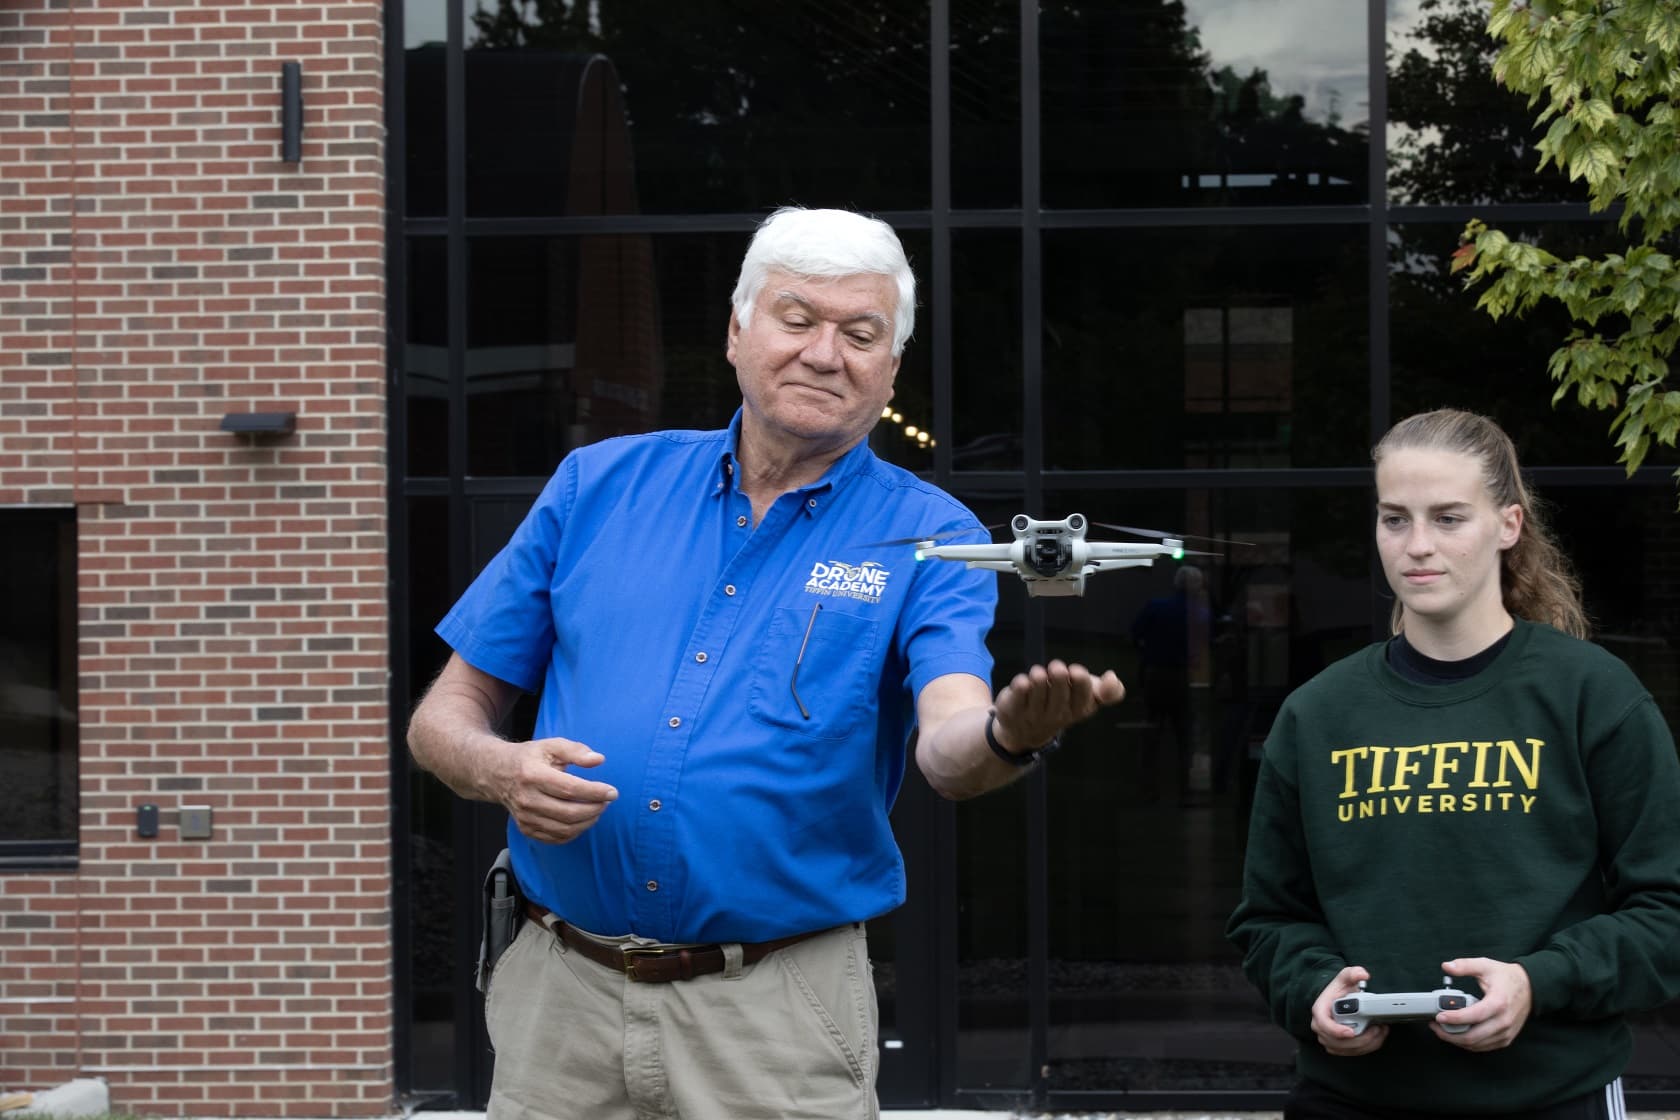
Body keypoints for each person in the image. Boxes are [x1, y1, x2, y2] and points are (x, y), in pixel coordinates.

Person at [407, 206, 1126, 1120]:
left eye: (860, 334)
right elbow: (443, 717)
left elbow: (949, 744)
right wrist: (500, 769)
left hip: (775, 1015)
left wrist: (1005, 736)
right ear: (738, 332)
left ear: (889, 369)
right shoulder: (596, 486)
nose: (826, 354)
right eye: (797, 319)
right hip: (562, 1002)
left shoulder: (932, 536)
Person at [1227, 408, 1680, 1118]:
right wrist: (1313, 988)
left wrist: (1539, 983)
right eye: (1394, 519)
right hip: (1352, 1099)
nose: (1416, 546)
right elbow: (1269, 919)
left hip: (1550, 1097)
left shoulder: (1591, 695)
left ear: (1508, 525)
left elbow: (1667, 912)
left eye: (1447, 518)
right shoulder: (1318, 714)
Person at [1130, 564, 1211, 803]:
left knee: (1151, 734)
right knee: (1184, 735)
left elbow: (1135, 634)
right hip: (1182, 677)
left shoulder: (1156, 607)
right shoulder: (1200, 614)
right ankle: (1186, 790)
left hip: (1155, 674)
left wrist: (1148, 654)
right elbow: (1203, 645)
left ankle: (1147, 788)